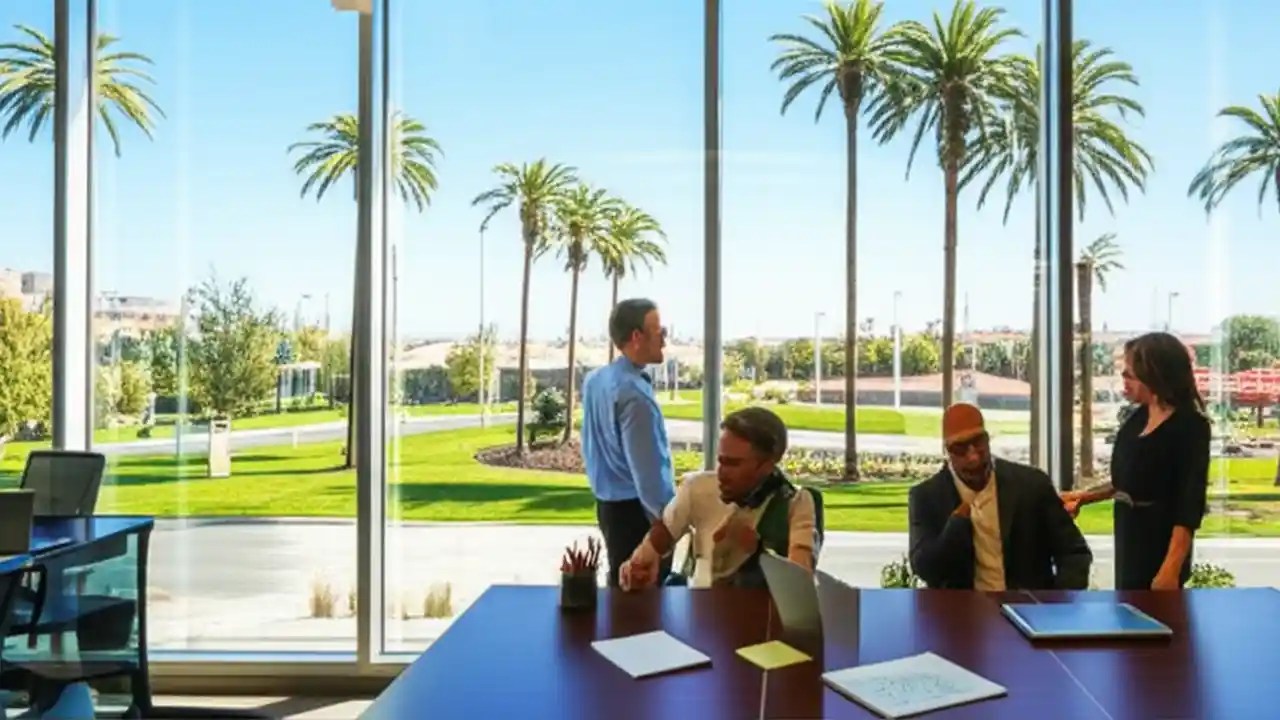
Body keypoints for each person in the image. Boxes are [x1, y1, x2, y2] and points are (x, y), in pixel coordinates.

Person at [1062, 332, 1210, 590]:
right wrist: (1082, 498)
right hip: (1130, 535)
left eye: (1129, 374)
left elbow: (1189, 504)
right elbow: (1128, 480)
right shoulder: (1136, 418)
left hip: (1160, 544)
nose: (1123, 380)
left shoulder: (1190, 426)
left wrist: (1170, 570)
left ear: (1153, 375)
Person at [618, 407, 818, 591]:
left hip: (762, 620)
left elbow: (799, 582)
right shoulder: (698, 488)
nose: (721, 473)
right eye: (720, 460)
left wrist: (759, 554)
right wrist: (640, 562)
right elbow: (666, 530)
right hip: (700, 611)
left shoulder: (795, 503)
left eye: (733, 464)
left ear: (767, 465)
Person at [909, 403, 1092, 590]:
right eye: (961, 448)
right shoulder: (927, 496)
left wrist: (1058, 604)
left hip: (1027, 610)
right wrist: (956, 523)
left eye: (978, 442)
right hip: (961, 613)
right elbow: (925, 568)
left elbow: (1073, 552)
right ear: (948, 451)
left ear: (988, 439)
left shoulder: (1031, 485)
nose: (973, 457)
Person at [580, 298, 676, 587]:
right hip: (638, 514)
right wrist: (666, 523)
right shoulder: (635, 396)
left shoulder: (595, 380)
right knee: (644, 600)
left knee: (620, 593)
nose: (664, 338)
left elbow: (590, 446)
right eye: (659, 331)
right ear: (637, 337)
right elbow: (648, 470)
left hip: (608, 507)